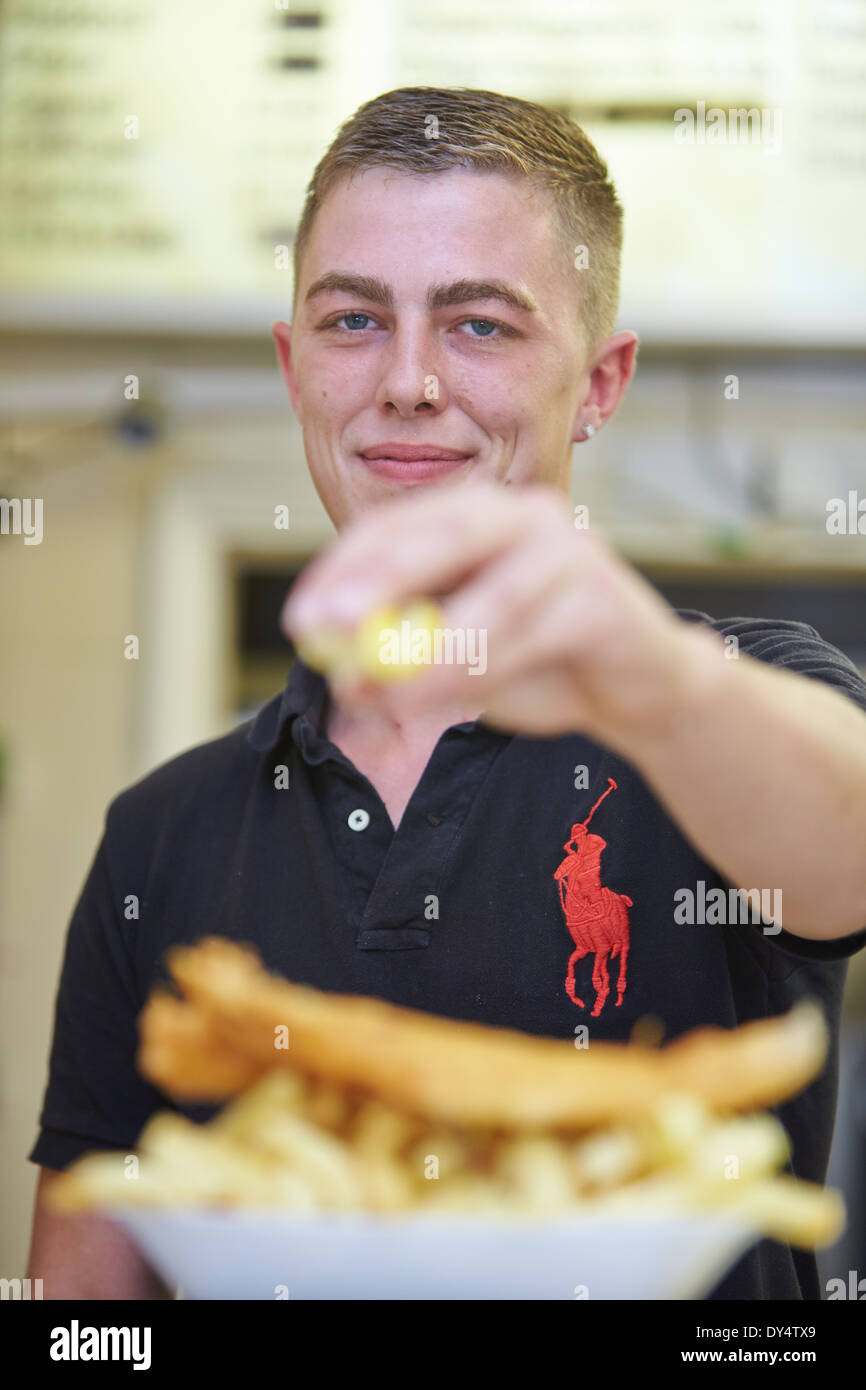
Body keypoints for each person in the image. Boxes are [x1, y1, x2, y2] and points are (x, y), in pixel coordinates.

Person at [28, 86, 866, 1300]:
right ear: (292, 364)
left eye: (478, 326)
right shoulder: (161, 830)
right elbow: (81, 1319)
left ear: (597, 382)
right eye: (354, 320)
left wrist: (650, 676)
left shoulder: (729, 702)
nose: (408, 380)